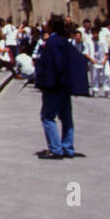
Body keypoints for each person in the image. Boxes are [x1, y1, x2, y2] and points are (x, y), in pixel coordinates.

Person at [35, 14, 88, 159]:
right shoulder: (64, 42)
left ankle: (56, 148)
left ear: (51, 26)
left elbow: (52, 65)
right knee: (66, 117)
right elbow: (78, 60)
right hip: (65, 86)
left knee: (47, 117)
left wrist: (45, 81)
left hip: (54, 86)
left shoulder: (52, 42)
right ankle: (68, 147)